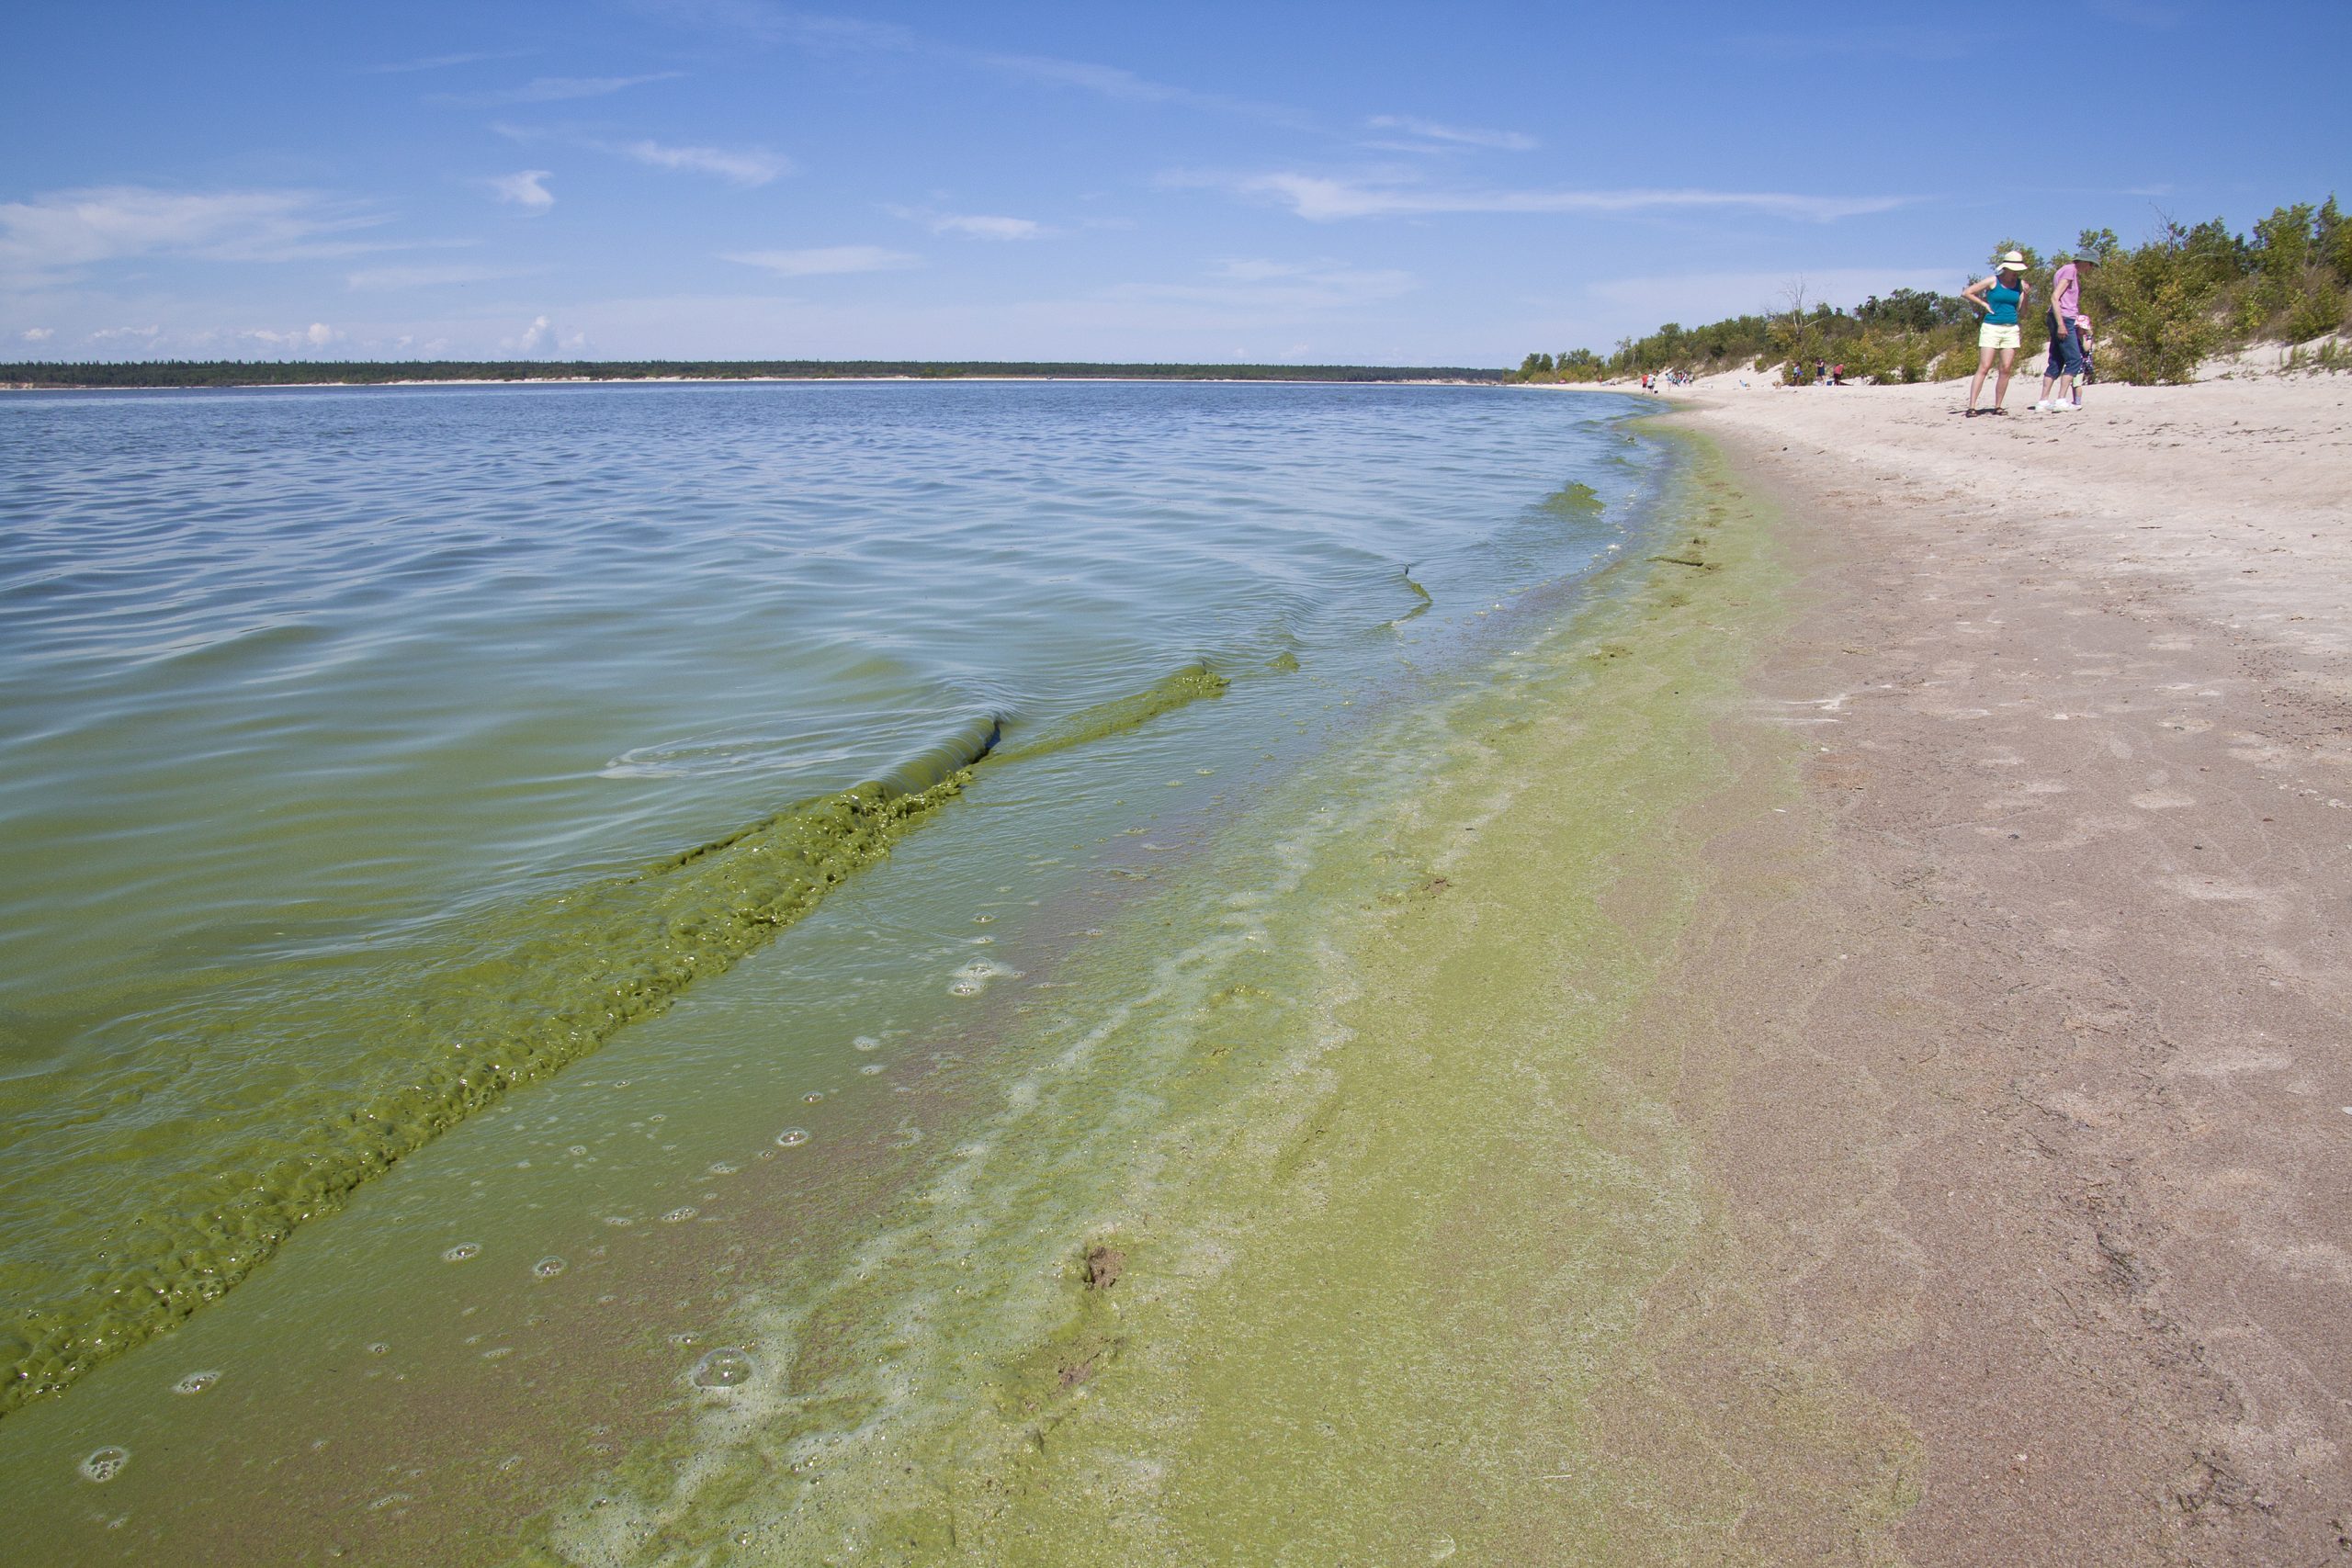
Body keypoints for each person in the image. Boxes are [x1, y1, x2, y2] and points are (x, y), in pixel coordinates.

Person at [1961, 250, 2033, 416]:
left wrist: (2027, 296)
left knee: (2006, 368)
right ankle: (1972, 406)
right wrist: (1984, 304)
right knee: (1984, 366)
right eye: (2013, 269)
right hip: (1992, 327)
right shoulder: (1993, 281)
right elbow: (1967, 292)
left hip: (2011, 328)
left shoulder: (2020, 285)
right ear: (2006, 268)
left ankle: (1998, 406)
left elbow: (2023, 313)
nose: (2015, 273)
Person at [2034, 252, 2095, 412]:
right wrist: (2061, 324)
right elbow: (2055, 297)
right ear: (2085, 262)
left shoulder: (2064, 269)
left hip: (2058, 317)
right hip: (2063, 317)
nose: (2091, 269)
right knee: (2074, 359)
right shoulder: (2070, 270)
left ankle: (2043, 401)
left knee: (2056, 359)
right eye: (2091, 265)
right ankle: (2061, 399)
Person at [2073, 317, 2094, 406]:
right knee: (2074, 383)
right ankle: (2075, 401)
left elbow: (2086, 348)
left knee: (2077, 383)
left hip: (2082, 362)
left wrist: (2083, 338)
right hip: (2074, 361)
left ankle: (2078, 402)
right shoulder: (2074, 335)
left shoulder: (2087, 337)